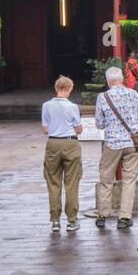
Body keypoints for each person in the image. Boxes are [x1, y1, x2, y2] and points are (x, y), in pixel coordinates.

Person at [95, 65, 138, 230]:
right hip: (132, 142)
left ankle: (102, 215)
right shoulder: (133, 94)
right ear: (122, 80)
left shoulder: (103, 97)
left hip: (112, 144)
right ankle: (124, 217)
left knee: (106, 179)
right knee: (129, 180)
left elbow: (99, 124)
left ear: (108, 81)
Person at [41, 76, 83, 233]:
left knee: (53, 183)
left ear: (55, 87)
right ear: (70, 88)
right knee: (71, 183)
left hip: (52, 143)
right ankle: (72, 220)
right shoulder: (73, 106)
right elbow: (78, 129)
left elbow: (45, 129)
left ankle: (55, 221)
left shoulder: (46, 106)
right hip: (70, 143)